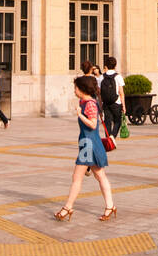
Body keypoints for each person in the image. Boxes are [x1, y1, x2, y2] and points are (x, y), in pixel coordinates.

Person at [52, 75, 116, 222]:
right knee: (97, 176)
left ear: (82, 89)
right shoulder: (85, 102)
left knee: (81, 177)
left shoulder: (90, 104)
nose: (74, 91)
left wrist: (80, 115)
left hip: (90, 145)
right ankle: (109, 206)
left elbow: (93, 124)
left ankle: (68, 208)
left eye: (75, 88)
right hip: (87, 144)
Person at [99, 56, 125, 138]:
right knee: (118, 121)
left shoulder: (101, 77)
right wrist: (123, 105)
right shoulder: (118, 77)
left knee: (107, 122)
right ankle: (112, 137)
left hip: (105, 103)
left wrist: (100, 106)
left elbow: (99, 93)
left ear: (106, 65)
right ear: (115, 65)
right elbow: (121, 92)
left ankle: (108, 140)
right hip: (116, 102)